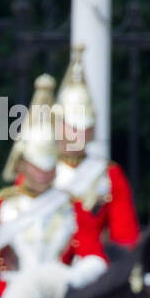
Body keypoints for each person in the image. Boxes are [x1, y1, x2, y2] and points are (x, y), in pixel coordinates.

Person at [0, 110, 107, 298]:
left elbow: (93, 255)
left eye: (49, 166)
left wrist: (71, 281)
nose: (43, 174)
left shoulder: (72, 206)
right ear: (23, 163)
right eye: (37, 166)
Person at [53, 46, 139, 250]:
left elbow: (124, 237)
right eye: (72, 127)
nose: (78, 135)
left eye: (84, 128)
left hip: (95, 267)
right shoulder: (39, 172)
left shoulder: (110, 175)